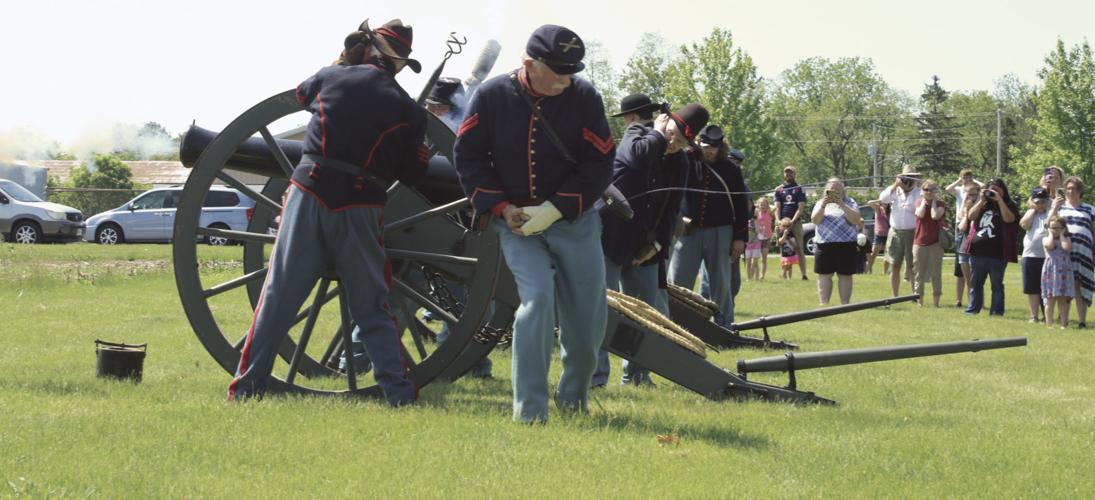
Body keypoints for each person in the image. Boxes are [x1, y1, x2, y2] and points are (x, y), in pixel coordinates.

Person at [228, 19, 427, 406]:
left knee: (278, 298)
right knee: (372, 307)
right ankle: (399, 396)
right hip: (362, 203)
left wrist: (340, 62)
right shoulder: (408, 111)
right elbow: (412, 173)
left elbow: (303, 95)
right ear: (399, 63)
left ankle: (246, 389)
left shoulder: (330, 78)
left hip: (309, 193)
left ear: (366, 48)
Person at [453, 25, 615, 423]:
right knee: (537, 302)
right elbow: (469, 156)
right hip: (517, 223)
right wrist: (501, 208)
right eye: (558, 70)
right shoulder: (492, 95)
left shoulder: (585, 96)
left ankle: (574, 399)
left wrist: (558, 208)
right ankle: (530, 412)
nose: (566, 79)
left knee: (586, 325)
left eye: (571, 70)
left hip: (573, 222)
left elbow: (600, 162)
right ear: (529, 64)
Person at [594, 99, 705, 388]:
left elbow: (671, 209)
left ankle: (638, 375)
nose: (673, 144)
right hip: (610, 237)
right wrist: (657, 133)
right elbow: (634, 158)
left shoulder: (680, 161)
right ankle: (595, 376)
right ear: (663, 121)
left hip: (646, 245)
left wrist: (655, 248)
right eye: (672, 135)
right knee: (599, 309)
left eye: (681, 142)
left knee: (649, 314)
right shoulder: (637, 134)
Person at [669, 124, 749, 328]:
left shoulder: (730, 169)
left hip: (720, 232)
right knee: (677, 281)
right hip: (688, 231)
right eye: (705, 146)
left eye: (713, 147)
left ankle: (724, 327)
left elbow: (741, 204)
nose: (709, 151)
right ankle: (673, 325)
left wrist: (740, 237)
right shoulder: (685, 160)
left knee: (720, 284)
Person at [963, 178, 1019, 316]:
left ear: (1003, 191)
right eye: (991, 189)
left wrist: (999, 200)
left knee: (997, 285)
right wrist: (981, 200)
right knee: (976, 283)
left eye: (997, 189)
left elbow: (1009, 219)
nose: (994, 191)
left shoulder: (1009, 204)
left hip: (999, 253)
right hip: (978, 251)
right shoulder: (982, 203)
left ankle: (996, 312)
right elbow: (971, 216)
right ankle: (973, 309)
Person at [1051, 176, 1095, 328]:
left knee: (1081, 285)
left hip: (1084, 254)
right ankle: (1065, 320)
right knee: (1066, 285)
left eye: (1074, 188)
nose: (1070, 191)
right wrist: (1054, 208)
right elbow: (1048, 226)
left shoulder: (1089, 209)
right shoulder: (1060, 208)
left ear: (1080, 191)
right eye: (1068, 188)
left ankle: (1082, 321)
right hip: (1064, 253)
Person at [809, 178, 861, 305]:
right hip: (824, 244)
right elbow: (815, 220)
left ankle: (845, 304)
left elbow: (856, 220)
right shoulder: (820, 202)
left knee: (845, 275)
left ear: (842, 190)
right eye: (831, 188)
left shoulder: (850, 202)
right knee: (824, 275)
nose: (834, 191)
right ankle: (824, 304)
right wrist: (823, 205)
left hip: (846, 244)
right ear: (826, 190)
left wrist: (842, 204)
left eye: (837, 188)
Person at [879, 164, 922, 297]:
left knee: (912, 265)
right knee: (895, 264)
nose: (908, 180)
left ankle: (914, 294)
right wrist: (895, 185)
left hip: (912, 232)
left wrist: (908, 192)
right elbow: (883, 199)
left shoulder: (918, 192)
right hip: (896, 232)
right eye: (906, 177)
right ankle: (894, 295)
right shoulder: (894, 190)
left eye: (911, 178)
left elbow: (917, 210)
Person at [946, 169, 984, 305]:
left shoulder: (978, 193)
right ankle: (959, 299)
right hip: (962, 227)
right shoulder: (959, 189)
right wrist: (960, 181)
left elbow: (984, 186)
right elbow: (947, 189)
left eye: (969, 176)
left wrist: (973, 183)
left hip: (975, 229)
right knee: (960, 266)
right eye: (964, 176)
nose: (967, 179)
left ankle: (973, 300)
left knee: (974, 268)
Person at [912, 180, 947, 307]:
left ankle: (936, 303)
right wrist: (923, 201)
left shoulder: (941, 204)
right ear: (922, 191)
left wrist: (933, 202)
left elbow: (934, 216)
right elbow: (920, 214)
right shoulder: (918, 202)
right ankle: (919, 302)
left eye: (932, 189)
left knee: (936, 274)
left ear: (936, 191)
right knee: (918, 274)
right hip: (919, 243)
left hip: (935, 244)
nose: (929, 192)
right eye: (926, 189)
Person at [1020, 187, 1052, 322]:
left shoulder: (1051, 213)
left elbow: (1049, 225)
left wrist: (1051, 207)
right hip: (1030, 255)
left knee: (1047, 288)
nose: (1040, 205)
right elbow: (1024, 225)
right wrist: (1032, 209)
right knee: (1032, 288)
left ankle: (1047, 316)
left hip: (1047, 256)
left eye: (1043, 202)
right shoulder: (1030, 212)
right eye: (1037, 202)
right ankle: (1034, 316)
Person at [773, 166, 808, 280]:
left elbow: (801, 207)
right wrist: (778, 220)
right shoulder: (779, 189)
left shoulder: (799, 188)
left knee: (799, 248)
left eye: (791, 173)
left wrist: (792, 221)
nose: (788, 174)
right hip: (782, 223)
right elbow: (777, 207)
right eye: (786, 173)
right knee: (783, 248)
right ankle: (783, 274)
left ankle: (804, 274)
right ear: (784, 174)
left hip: (795, 222)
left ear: (794, 174)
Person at [1041, 215, 1075, 329]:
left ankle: (1064, 324)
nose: (1055, 230)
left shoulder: (1066, 239)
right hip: (1051, 271)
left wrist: (1062, 235)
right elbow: (1049, 246)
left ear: (1063, 228)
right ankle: (1049, 324)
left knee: (1063, 299)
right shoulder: (1046, 238)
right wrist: (1050, 233)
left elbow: (1066, 248)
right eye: (1053, 228)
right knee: (1050, 299)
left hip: (1064, 272)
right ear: (1048, 228)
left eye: (1058, 228)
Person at [953, 183, 981, 308]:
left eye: (974, 194)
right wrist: (966, 212)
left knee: (976, 278)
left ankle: (976, 302)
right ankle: (971, 302)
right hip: (964, 244)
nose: (972, 197)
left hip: (977, 244)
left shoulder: (983, 207)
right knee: (966, 277)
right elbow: (962, 226)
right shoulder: (964, 208)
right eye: (969, 194)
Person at [865, 200, 890, 275]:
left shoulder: (891, 210)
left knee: (887, 255)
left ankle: (885, 272)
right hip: (879, 234)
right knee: (873, 254)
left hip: (888, 234)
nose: (884, 204)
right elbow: (869, 203)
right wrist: (881, 199)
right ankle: (866, 271)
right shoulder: (878, 208)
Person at [754, 196, 774, 279]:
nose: (763, 206)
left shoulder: (770, 213)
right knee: (755, 258)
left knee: (764, 257)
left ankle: (762, 275)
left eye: (764, 204)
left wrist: (769, 207)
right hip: (757, 237)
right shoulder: (756, 213)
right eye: (761, 204)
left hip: (767, 237)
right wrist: (757, 206)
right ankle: (755, 275)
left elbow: (775, 207)